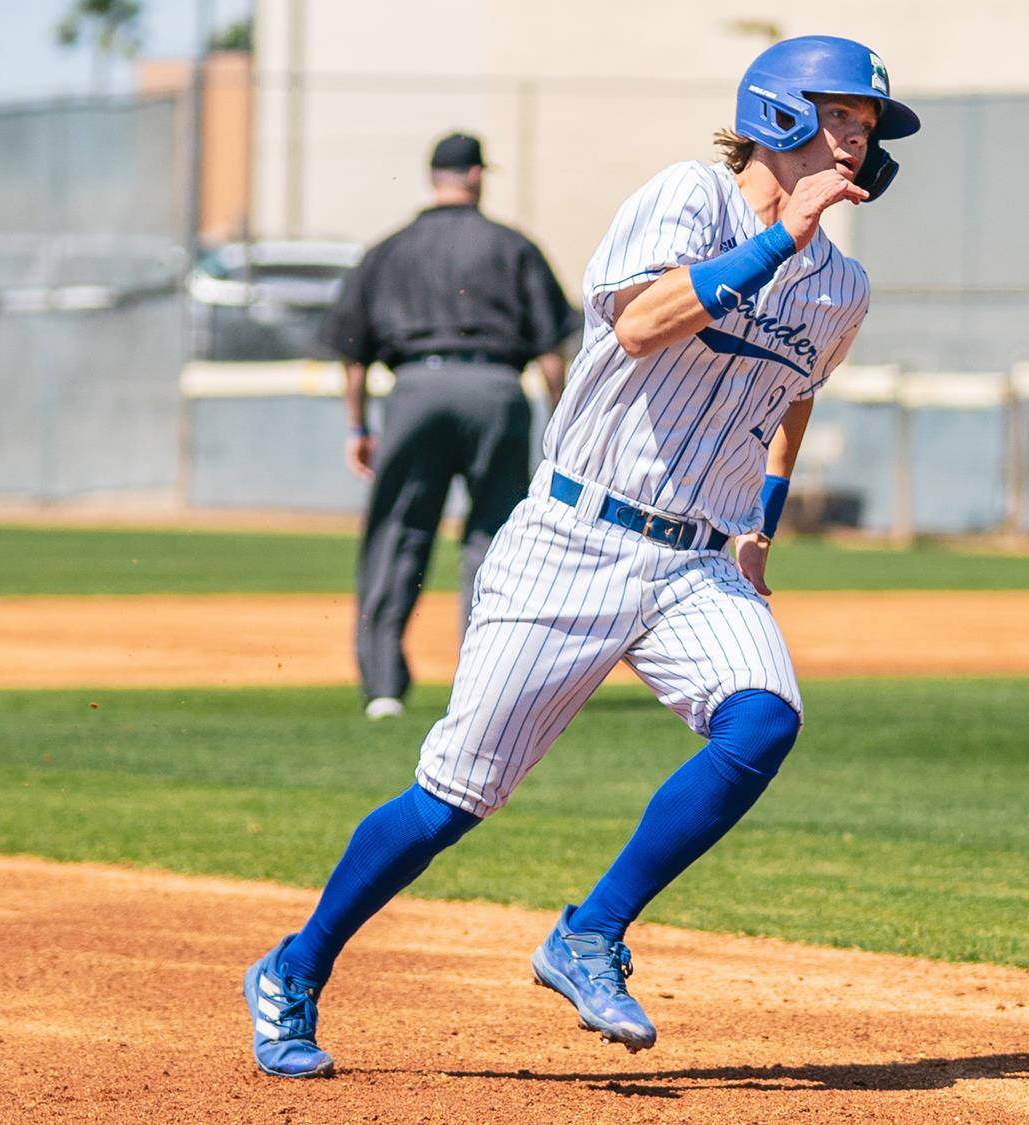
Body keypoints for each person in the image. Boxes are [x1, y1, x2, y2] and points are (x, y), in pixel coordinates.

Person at [243, 35, 918, 1078]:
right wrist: (780, 235)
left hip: (695, 557)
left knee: (763, 720)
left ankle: (588, 933)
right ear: (777, 112)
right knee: (449, 803)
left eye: (867, 126)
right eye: (840, 115)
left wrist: (761, 527)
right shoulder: (687, 198)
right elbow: (644, 323)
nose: (857, 139)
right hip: (575, 536)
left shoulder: (841, 286)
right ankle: (294, 967)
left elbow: (793, 400)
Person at [321, 131, 576, 721]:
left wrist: (358, 428)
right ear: (476, 175)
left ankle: (383, 686)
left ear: (432, 175)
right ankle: (484, 680)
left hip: (415, 388)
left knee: (398, 531)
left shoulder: (388, 250)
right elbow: (549, 352)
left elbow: (353, 357)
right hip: (495, 391)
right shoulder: (512, 246)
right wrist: (563, 423)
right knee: (493, 536)